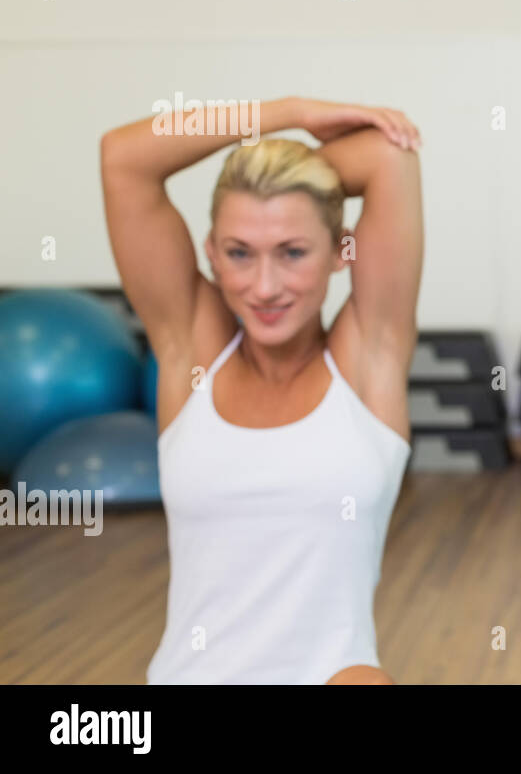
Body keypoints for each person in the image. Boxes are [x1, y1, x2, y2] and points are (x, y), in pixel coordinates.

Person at [100, 97, 424, 684]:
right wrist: (290, 113)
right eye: (239, 253)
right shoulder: (192, 352)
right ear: (211, 253)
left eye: (293, 252)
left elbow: (386, 154)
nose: (264, 286)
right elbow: (124, 158)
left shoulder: (367, 360)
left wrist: (287, 178)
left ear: (339, 253)